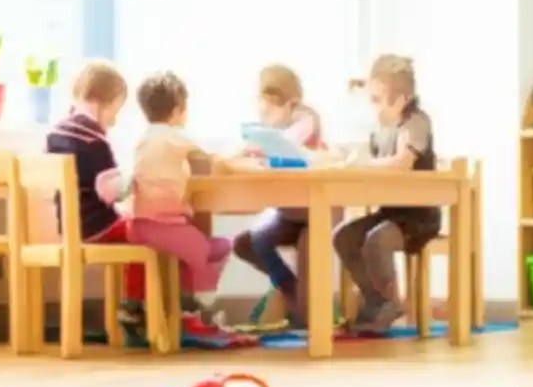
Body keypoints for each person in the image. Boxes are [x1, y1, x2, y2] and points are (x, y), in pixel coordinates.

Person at [97, 71, 238, 325]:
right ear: (177, 111)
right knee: (219, 247)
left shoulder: (142, 139)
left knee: (190, 245)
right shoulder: (175, 136)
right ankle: (198, 306)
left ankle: (136, 304)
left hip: (137, 226)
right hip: (166, 228)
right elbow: (209, 155)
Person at [333, 54, 440, 334]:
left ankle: (389, 303)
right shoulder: (381, 127)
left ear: (402, 100)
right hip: (390, 212)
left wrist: (363, 163)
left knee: (376, 240)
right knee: (344, 237)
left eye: (380, 100)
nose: (376, 108)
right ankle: (377, 299)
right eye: (373, 100)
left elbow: (403, 162)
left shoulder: (416, 122)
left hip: (419, 215)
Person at [45, 60, 145, 341]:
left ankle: (134, 308)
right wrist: (132, 179)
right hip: (97, 226)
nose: (114, 118)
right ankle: (134, 307)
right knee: (146, 234)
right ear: (104, 103)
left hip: (70, 227)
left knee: (133, 225)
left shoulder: (55, 134)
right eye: (116, 109)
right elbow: (108, 191)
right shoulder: (94, 140)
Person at [232, 65, 325, 327]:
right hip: (288, 210)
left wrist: (258, 147)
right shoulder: (271, 128)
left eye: (271, 108)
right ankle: (291, 290)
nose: (266, 114)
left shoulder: (305, 119)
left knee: (308, 245)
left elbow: (288, 143)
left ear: (291, 102)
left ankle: (303, 308)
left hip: (315, 208)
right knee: (247, 242)